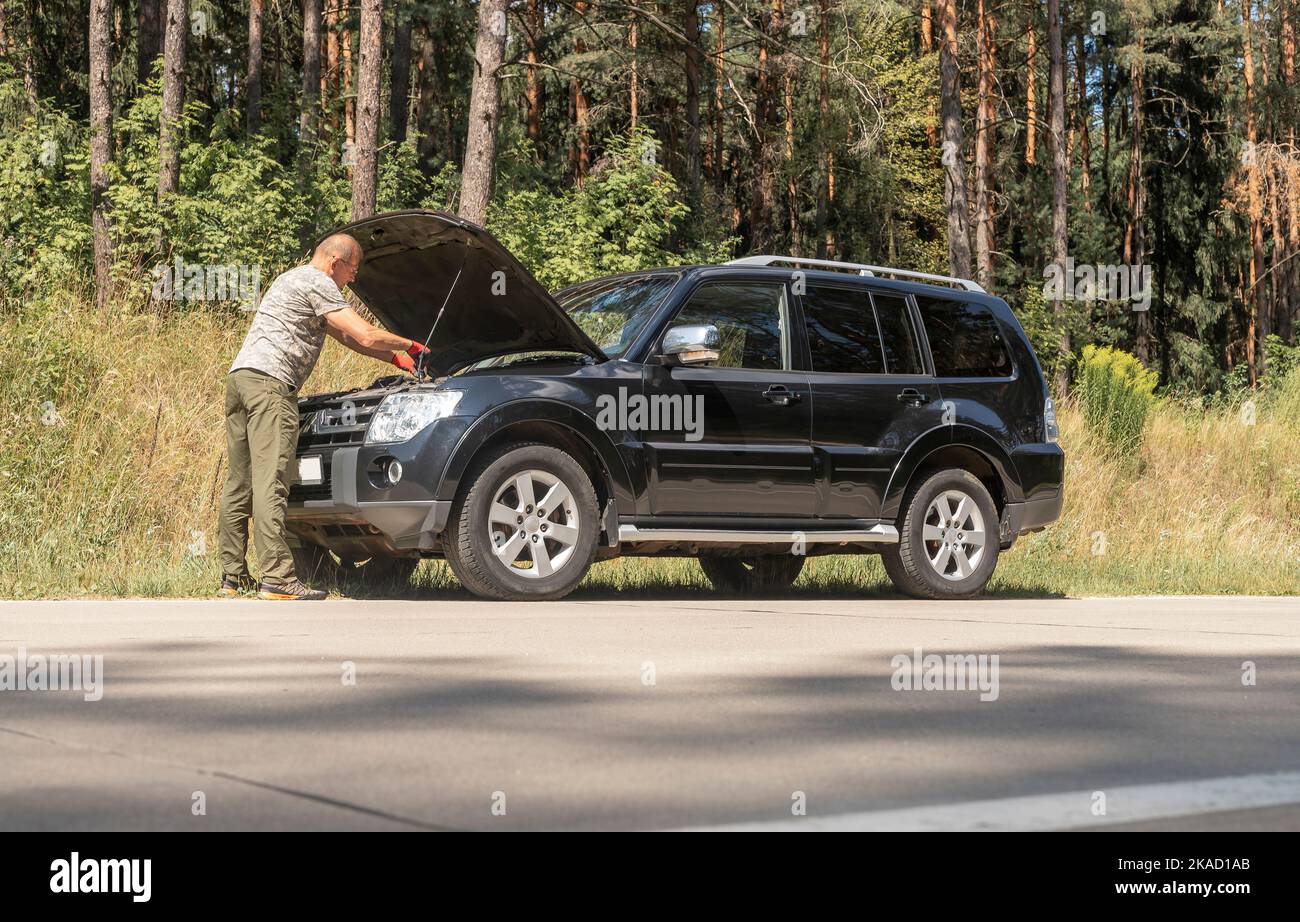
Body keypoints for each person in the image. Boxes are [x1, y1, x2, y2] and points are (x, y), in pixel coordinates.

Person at [217, 233, 430, 600]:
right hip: (271, 386)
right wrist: (411, 344)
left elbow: (345, 337)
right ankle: (278, 579)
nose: (353, 279)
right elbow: (363, 333)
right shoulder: (319, 282)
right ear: (336, 262)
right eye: (353, 270)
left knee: (240, 483)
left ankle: (232, 578)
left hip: (241, 380)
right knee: (272, 481)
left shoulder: (292, 278)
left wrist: (395, 360)